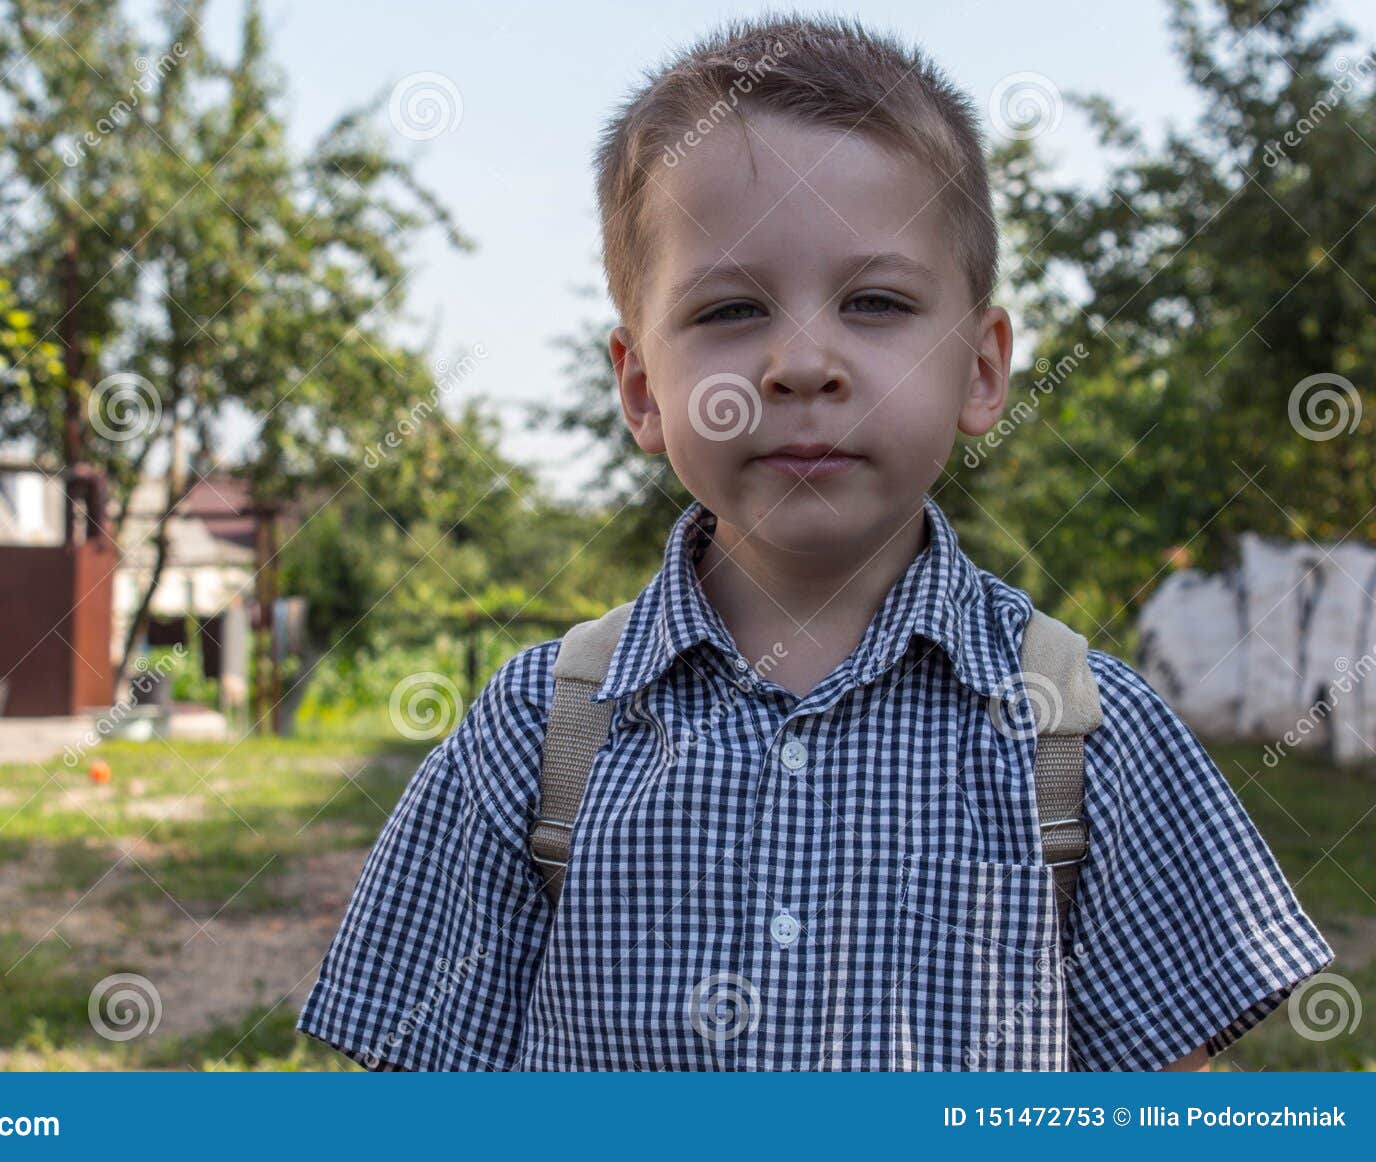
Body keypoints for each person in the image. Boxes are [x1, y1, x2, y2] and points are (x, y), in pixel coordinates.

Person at [296, 13, 1334, 1071]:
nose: (800, 364)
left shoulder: (1088, 740)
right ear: (642, 388)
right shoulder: (534, 734)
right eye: (731, 308)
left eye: (874, 302)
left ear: (981, 370)